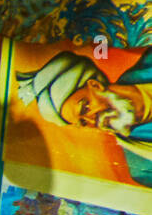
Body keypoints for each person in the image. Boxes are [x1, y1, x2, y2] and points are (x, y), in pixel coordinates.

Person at [16, 50, 152, 186]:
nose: (93, 121)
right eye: (83, 122)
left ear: (95, 85)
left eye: (85, 108)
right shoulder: (143, 169)